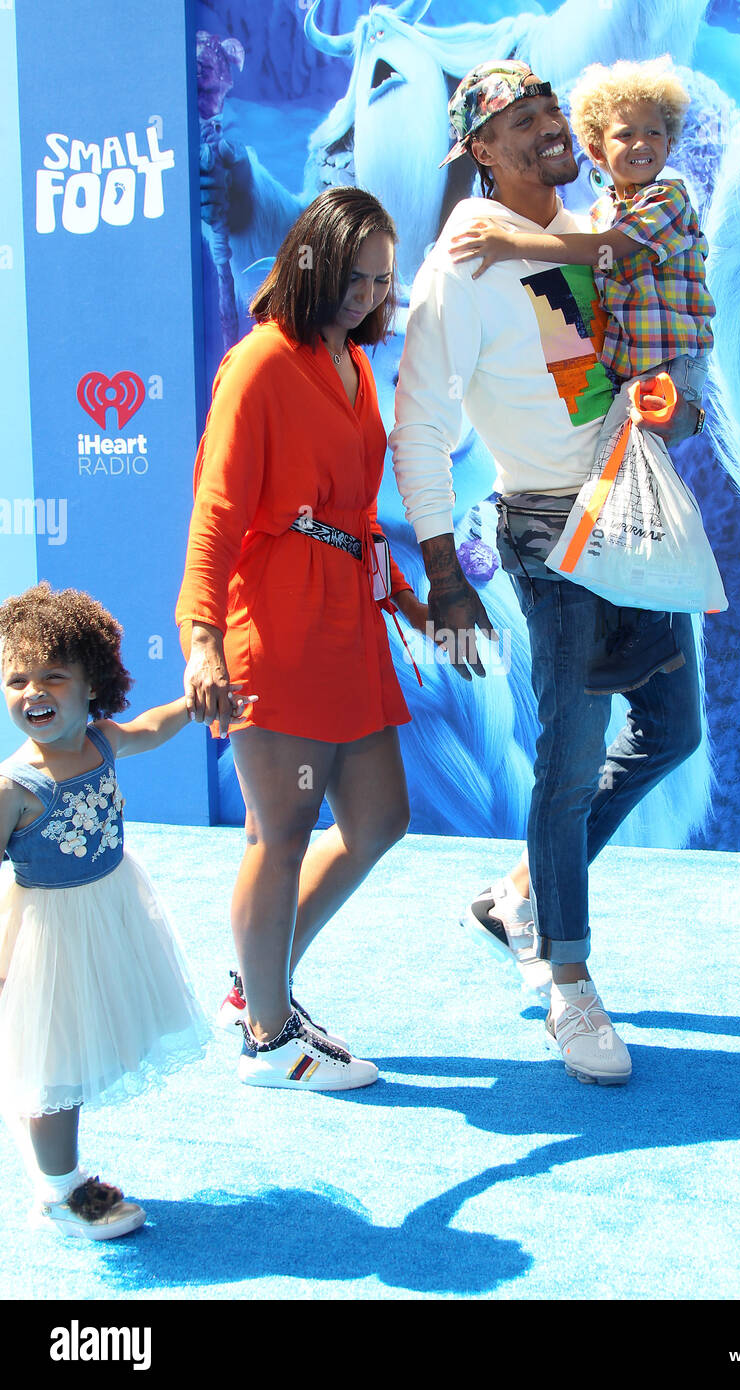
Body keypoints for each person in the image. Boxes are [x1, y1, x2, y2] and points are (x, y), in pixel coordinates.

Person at [392, 60, 704, 1086]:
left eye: (545, 111)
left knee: (673, 731)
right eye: (515, 123)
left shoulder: (583, 232)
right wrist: (440, 569)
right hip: (543, 534)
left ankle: (525, 889)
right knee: (568, 761)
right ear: (479, 152)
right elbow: (421, 430)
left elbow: (581, 386)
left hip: (626, 508)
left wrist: (656, 407)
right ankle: (566, 984)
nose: (543, 129)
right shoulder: (459, 269)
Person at [177, 186, 428, 1093]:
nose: (367, 295)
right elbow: (215, 513)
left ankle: (257, 989)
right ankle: (267, 1038)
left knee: (378, 820)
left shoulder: (355, 364)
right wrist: (202, 638)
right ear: (312, 262)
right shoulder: (260, 363)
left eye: (382, 280)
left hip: (347, 623)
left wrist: (405, 596)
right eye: (354, 276)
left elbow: (355, 516)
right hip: (274, 628)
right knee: (279, 831)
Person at [449, 56, 715, 693]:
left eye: (655, 134)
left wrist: (513, 248)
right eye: (626, 134)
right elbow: (568, 354)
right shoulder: (576, 219)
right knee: (623, 491)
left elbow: (606, 257)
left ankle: (649, 634)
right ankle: (643, 634)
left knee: (625, 490)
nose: (643, 146)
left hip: (663, 368)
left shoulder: (657, 203)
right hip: (606, 403)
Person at [0, 583, 212, 1239]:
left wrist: (194, 704)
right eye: (17, 680)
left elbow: (149, 728)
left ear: (92, 684)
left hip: (111, 913)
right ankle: (60, 1191)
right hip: (48, 938)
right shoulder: (15, 785)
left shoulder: (100, 741)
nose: (33, 693)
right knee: (54, 1066)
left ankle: (54, 1176)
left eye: (53, 677)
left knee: (83, 1052)